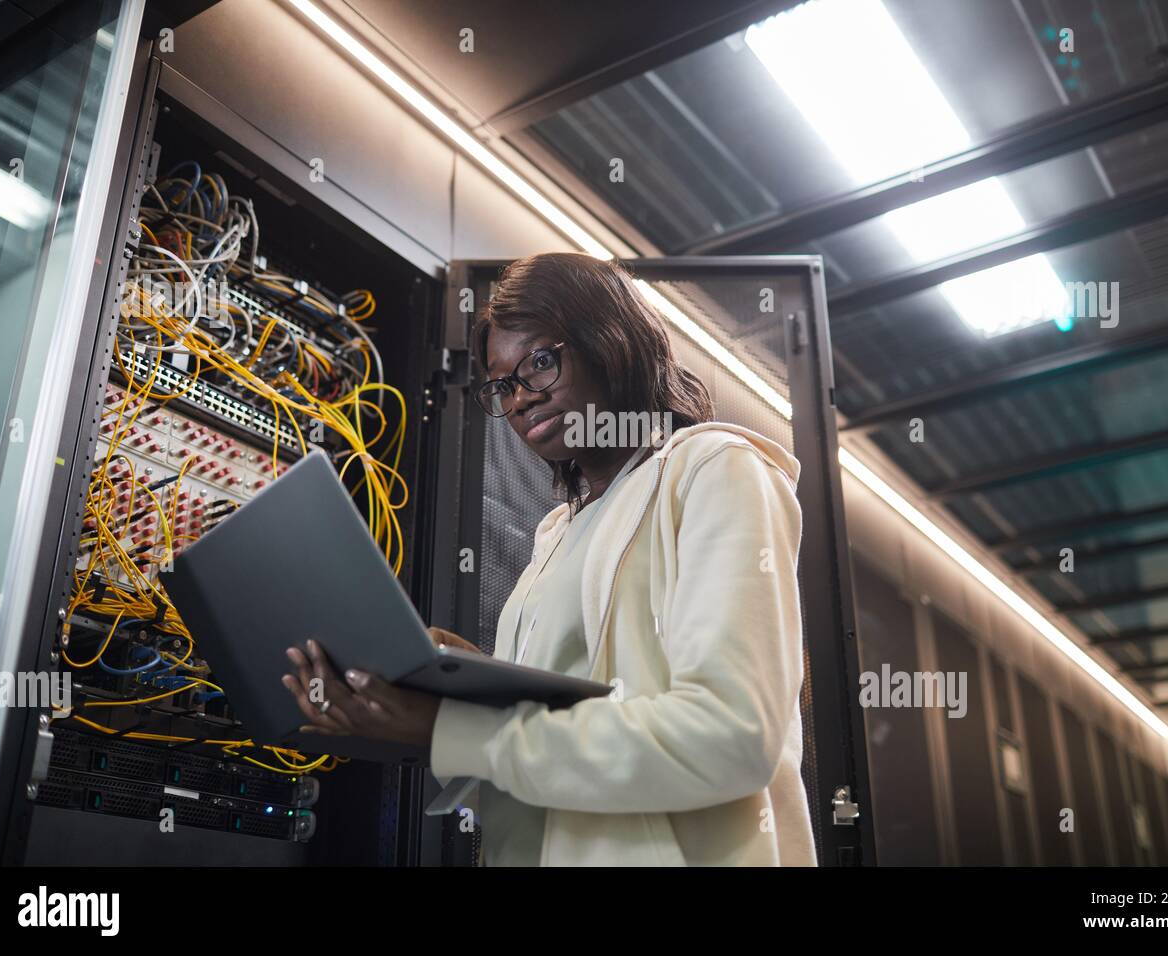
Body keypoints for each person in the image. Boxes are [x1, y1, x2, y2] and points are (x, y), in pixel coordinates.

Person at [282, 252, 816, 866]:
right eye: (502, 384)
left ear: (612, 342)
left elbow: (730, 738)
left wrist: (449, 728)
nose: (520, 399)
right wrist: (458, 677)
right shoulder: (557, 533)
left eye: (539, 362)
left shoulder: (714, 470)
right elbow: (561, 731)